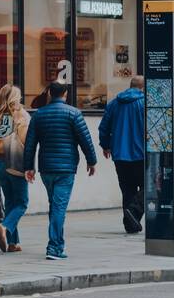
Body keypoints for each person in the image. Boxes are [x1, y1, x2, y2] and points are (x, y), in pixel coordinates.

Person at [23, 81, 97, 260]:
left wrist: (28, 167)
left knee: (54, 206)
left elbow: (30, 143)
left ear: (49, 93)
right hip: (66, 168)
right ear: (64, 94)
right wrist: (91, 161)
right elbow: (85, 140)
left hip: (46, 168)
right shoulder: (74, 113)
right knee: (59, 207)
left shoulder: (39, 114)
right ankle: (54, 248)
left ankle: (57, 242)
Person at [0, 84, 31, 253]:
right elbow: (26, 142)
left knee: (10, 202)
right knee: (22, 203)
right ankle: (4, 227)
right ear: (15, 98)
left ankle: (12, 243)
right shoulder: (21, 115)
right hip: (16, 161)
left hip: (1, 162)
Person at [99, 76, 146, 233]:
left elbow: (104, 127)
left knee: (127, 189)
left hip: (120, 154)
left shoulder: (114, 104)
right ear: (143, 88)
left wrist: (105, 145)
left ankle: (130, 225)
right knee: (150, 187)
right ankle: (133, 211)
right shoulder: (147, 104)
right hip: (142, 154)